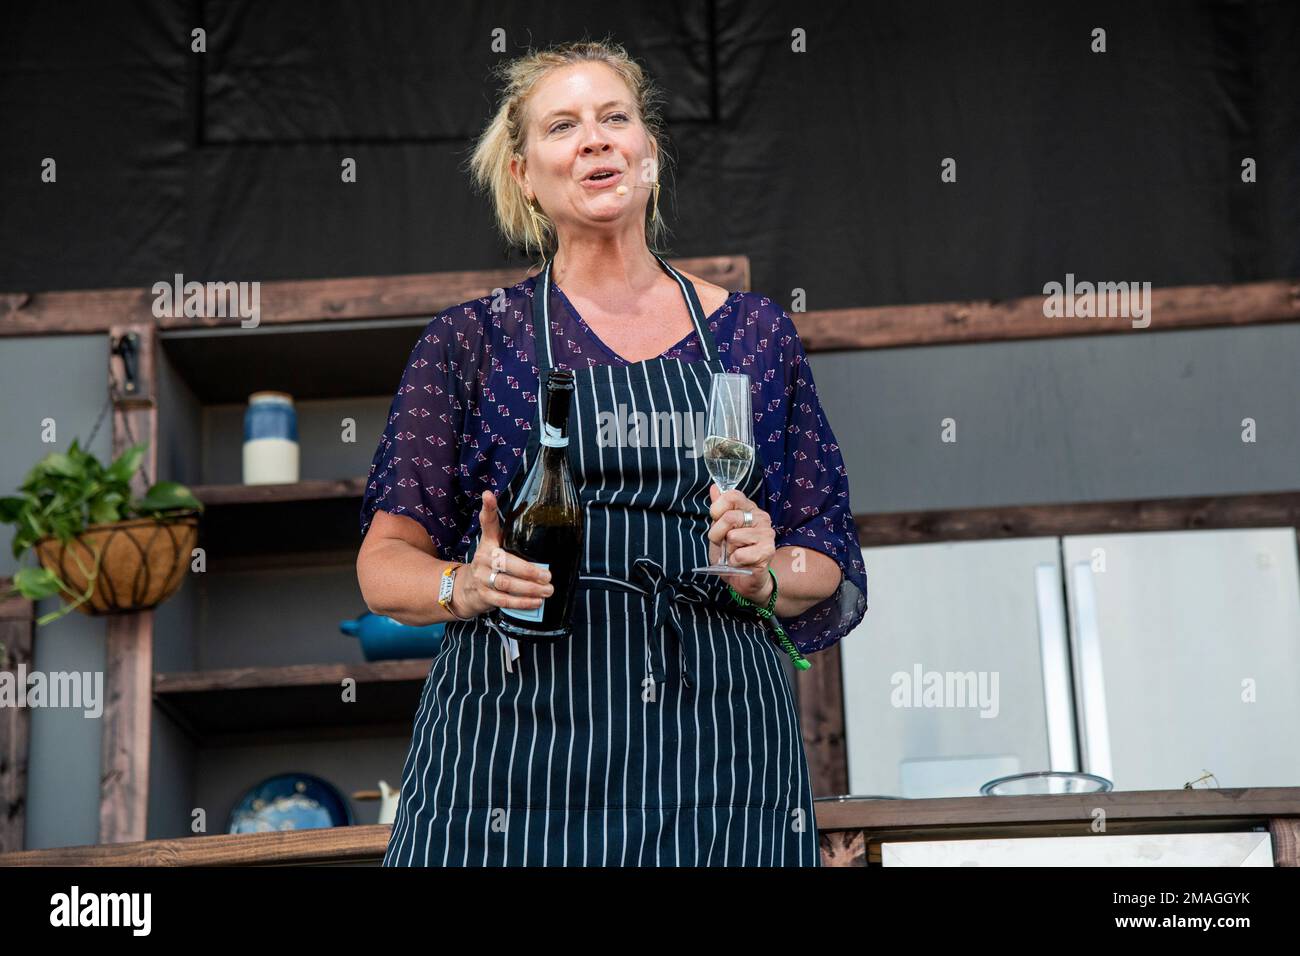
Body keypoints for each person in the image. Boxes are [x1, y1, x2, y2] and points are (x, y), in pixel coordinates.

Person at [356, 39, 867, 867]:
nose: (595, 138)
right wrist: (466, 582)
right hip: (518, 745)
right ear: (524, 174)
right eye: (563, 125)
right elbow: (384, 565)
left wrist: (766, 572)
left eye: (614, 118)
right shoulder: (473, 341)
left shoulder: (756, 334)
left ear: (648, 154)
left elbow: (826, 556)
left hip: (721, 736)